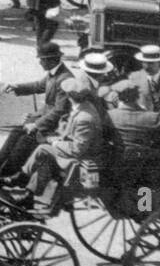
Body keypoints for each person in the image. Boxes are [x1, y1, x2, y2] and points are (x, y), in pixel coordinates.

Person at [17, 77, 103, 206]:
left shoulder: (85, 117)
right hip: (75, 152)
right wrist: (57, 138)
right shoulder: (82, 108)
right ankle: (29, 194)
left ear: (70, 96)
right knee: (45, 157)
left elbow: (78, 149)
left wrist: (55, 143)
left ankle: (22, 176)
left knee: (43, 149)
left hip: (79, 161)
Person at [0, 41, 74, 178]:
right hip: (45, 118)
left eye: (41, 60)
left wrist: (36, 124)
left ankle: (7, 174)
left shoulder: (64, 79)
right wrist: (16, 87)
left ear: (50, 60)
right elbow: (39, 86)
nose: (39, 63)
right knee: (16, 131)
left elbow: (60, 111)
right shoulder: (54, 73)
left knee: (25, 140)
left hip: (55, 124)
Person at [108, 79, 160, 157]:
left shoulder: (109, 116)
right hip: (145, 162)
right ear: (137, 96)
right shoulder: (154, 117)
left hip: (118, 163)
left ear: (117, 97)